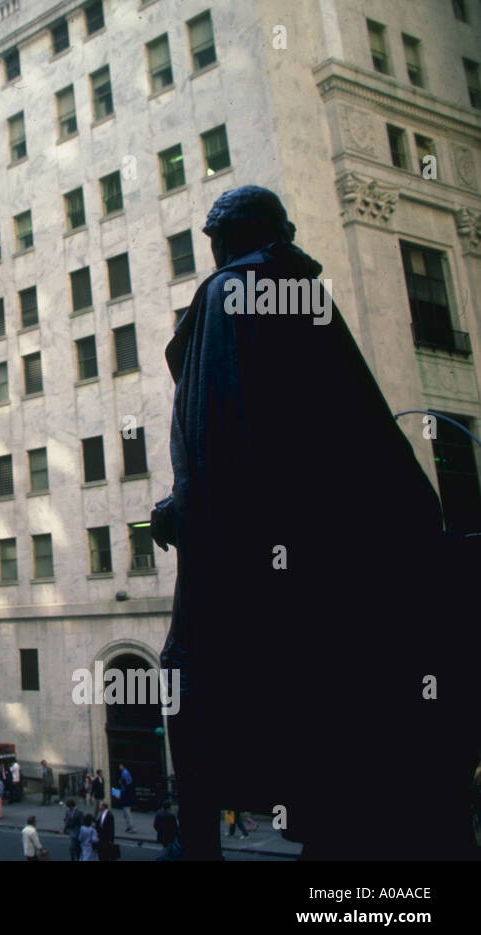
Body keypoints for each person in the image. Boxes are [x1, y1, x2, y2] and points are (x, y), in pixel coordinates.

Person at [155, 185, 477, 861]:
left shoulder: (232, 292)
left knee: (186, 678)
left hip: (247, 551)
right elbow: (327, 431)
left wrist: (186, 510)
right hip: (333, 544)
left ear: (226, 237)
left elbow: (227, 435)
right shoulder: (303, 292)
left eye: (214, 236)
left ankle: (200, 847)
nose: (210, 248)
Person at [118, 763, 135, 832]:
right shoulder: (124, 788)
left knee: (127, 814)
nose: (119, 767)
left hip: (126, 802)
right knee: (126, 815)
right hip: (125, 802)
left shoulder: (125, 773)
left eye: (120, 766)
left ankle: (131, 827)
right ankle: (129, 826)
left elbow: (128, 781)